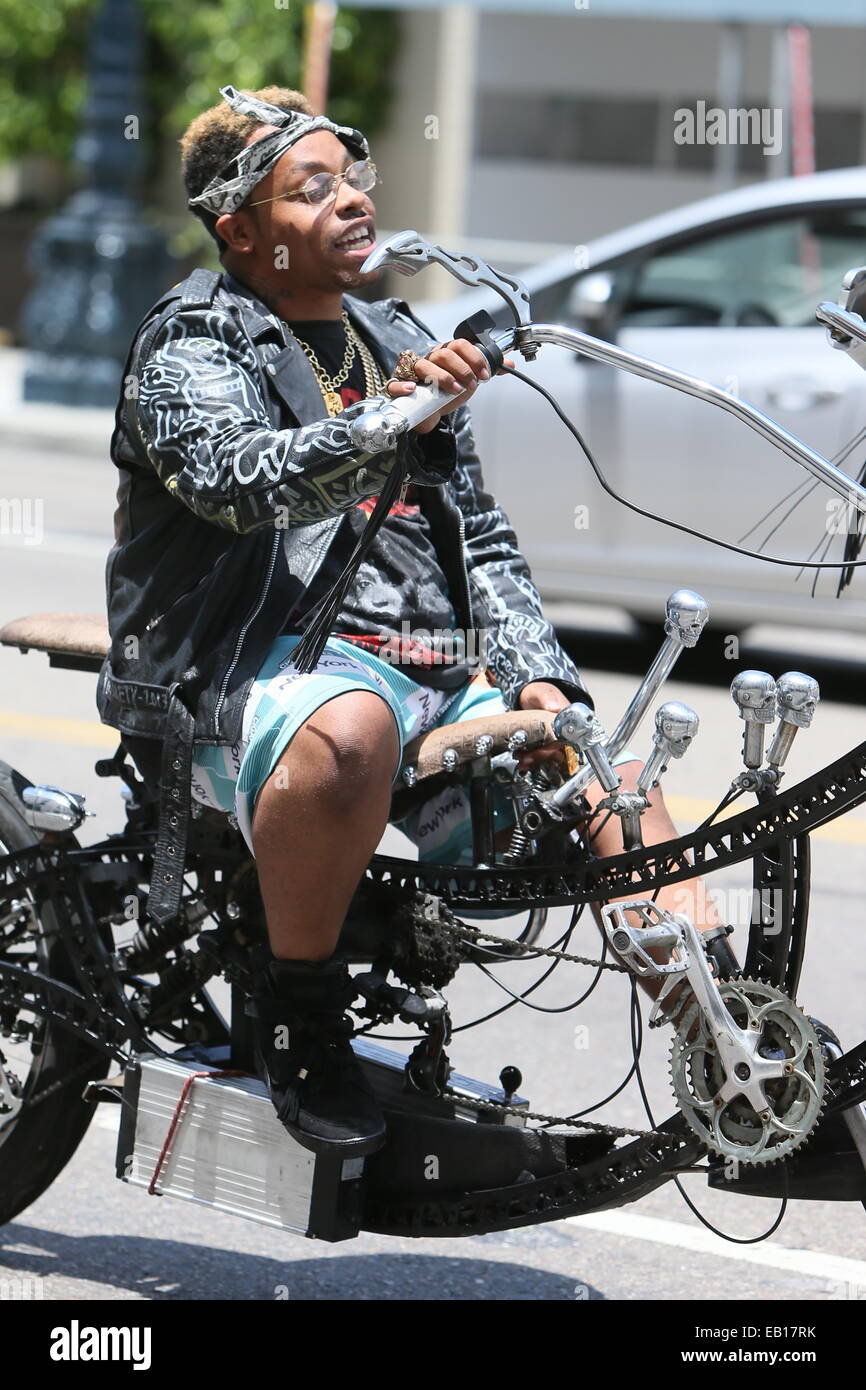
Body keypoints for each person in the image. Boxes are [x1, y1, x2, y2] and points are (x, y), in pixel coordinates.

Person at [98, 85, 721, 1160]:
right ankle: (299, 1015)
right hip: (243, 671)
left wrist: (543, 679)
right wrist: (395, 414)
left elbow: (476, 532)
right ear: (241, 229)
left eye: (352, 176)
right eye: (312, 187)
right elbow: (242, 479)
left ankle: (730, 1058)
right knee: (352, 736)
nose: (350, 200)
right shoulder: (191, 342)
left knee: (607, 776)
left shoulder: (392, 330)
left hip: (429, 670)